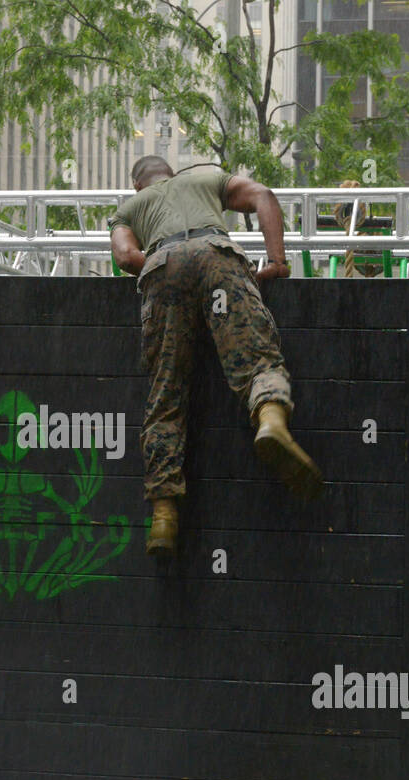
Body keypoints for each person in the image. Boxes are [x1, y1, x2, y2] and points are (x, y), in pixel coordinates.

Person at [107, 156, 322, 556]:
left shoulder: (130, 208)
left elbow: (124, 257)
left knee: (165, 396)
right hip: (217, 255)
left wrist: (161, 267)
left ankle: (165, 519)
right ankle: (271, 419)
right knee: (257, 358)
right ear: (171, 173)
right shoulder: (205, 178)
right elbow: (262, 195)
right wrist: (276, 261)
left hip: (162, 264)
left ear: (138, 185)